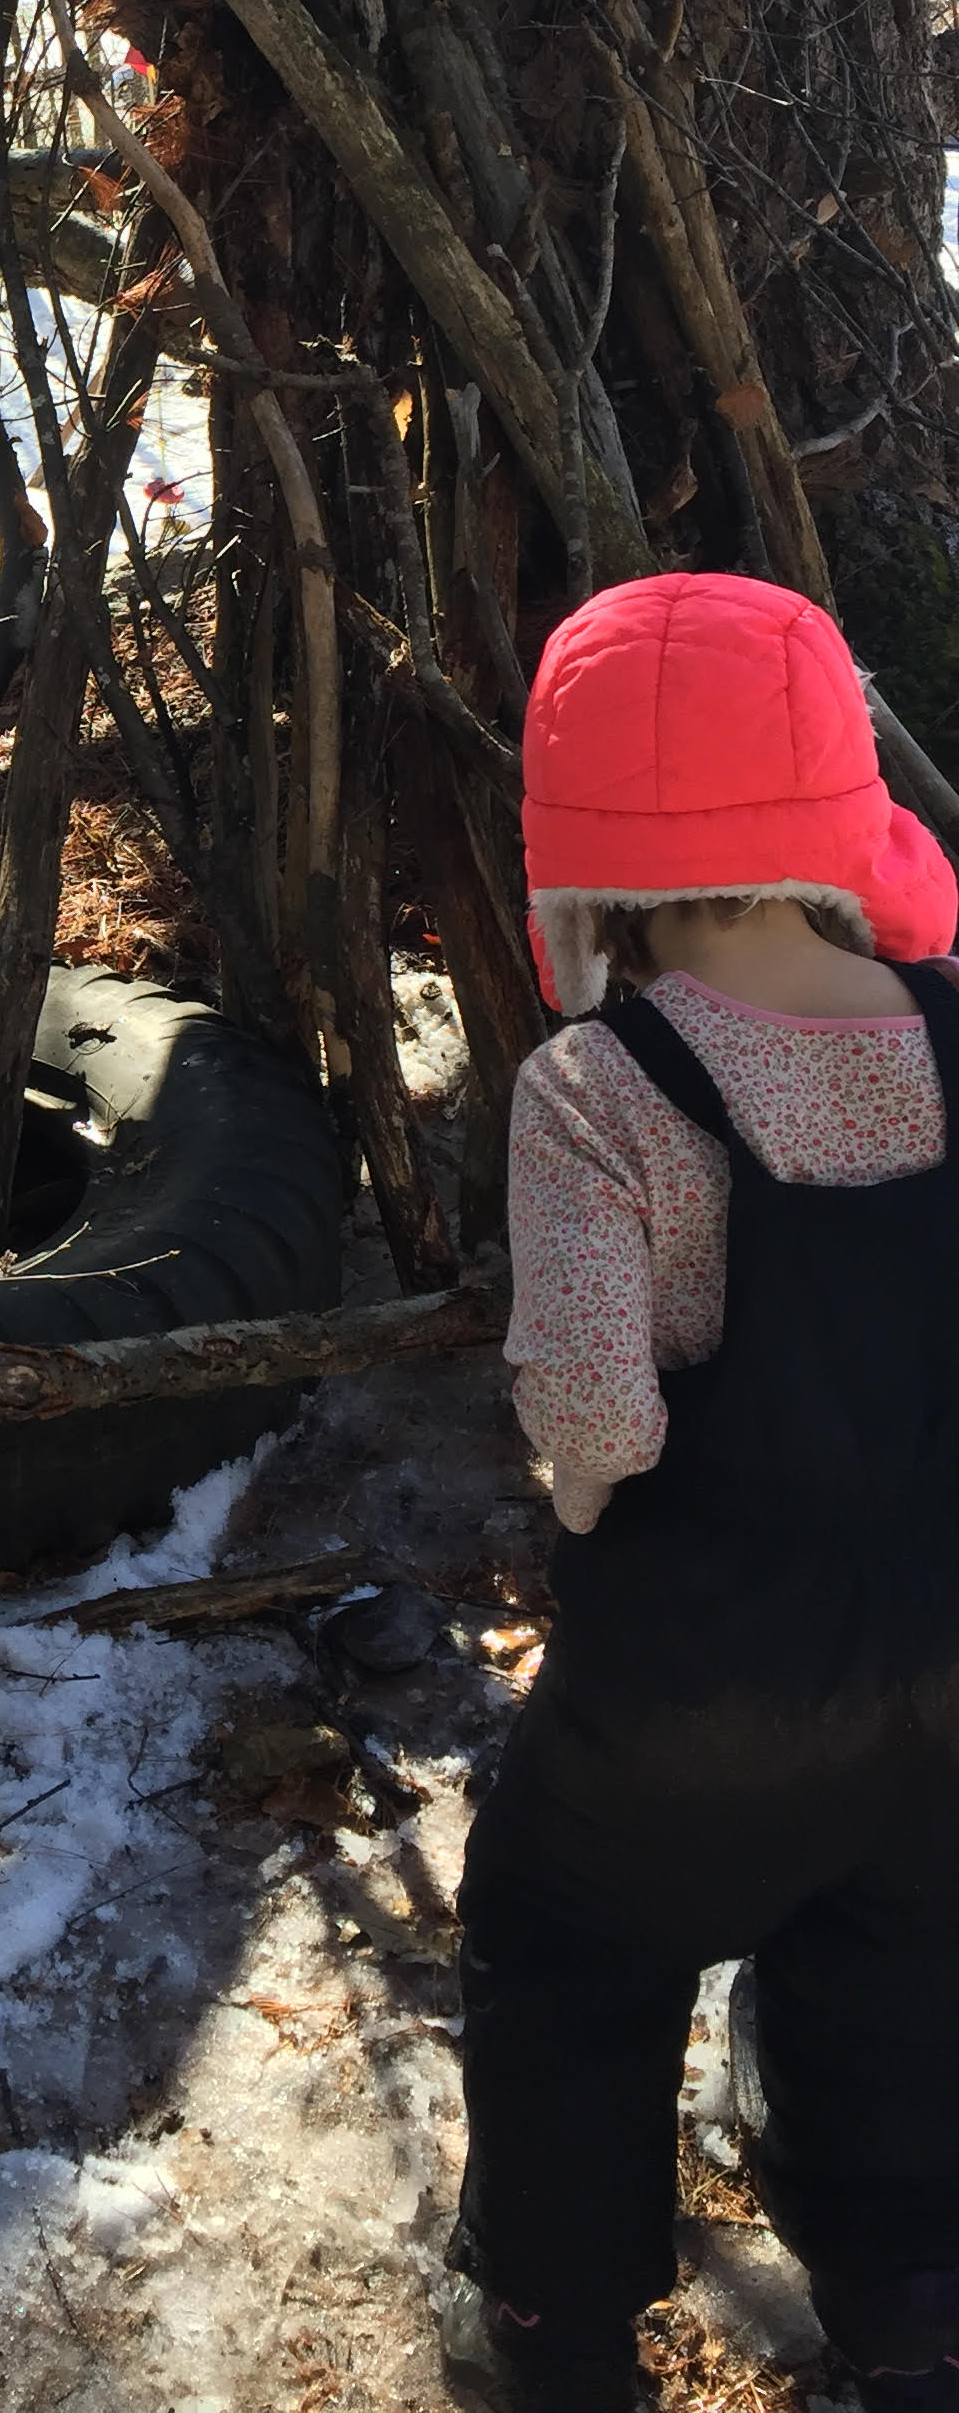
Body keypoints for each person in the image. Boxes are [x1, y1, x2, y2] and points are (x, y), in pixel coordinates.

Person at [445, 570, 959, 2413]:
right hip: (938, 1672)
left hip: (694, 1693)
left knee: (566, 1953)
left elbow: (598, 1416)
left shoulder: (601, 1087)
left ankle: (557, 2328)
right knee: (899, 1959)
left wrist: (586, 1513)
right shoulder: (950, 1022)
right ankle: (907, 2298)